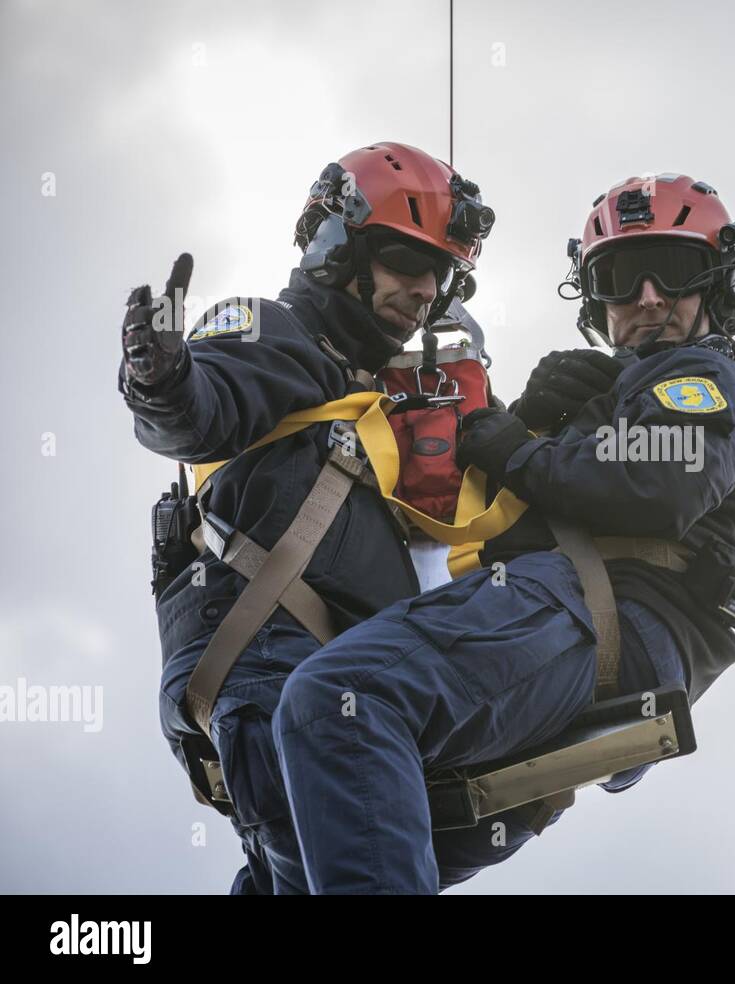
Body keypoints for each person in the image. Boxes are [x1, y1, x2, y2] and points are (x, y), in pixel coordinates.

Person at [270, 172, 735, 893]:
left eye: (671, 272)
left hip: (598, 620)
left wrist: (519, 447)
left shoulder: (711, 379)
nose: (646, 298)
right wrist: (530, 421)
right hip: (566, 650)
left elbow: (657, 482)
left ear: (718, 284)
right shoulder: (618, 397)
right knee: (305, 843)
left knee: (341, 697)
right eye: (618, 277)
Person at [119, 141, 504, 894]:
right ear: (335, 248)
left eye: (442, 273)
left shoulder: (403, 401)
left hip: (337, 709)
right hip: (275, 677)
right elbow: (203, 411)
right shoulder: (277, 335)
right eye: (403, 259)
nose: (425, 290)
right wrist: (160, 379)